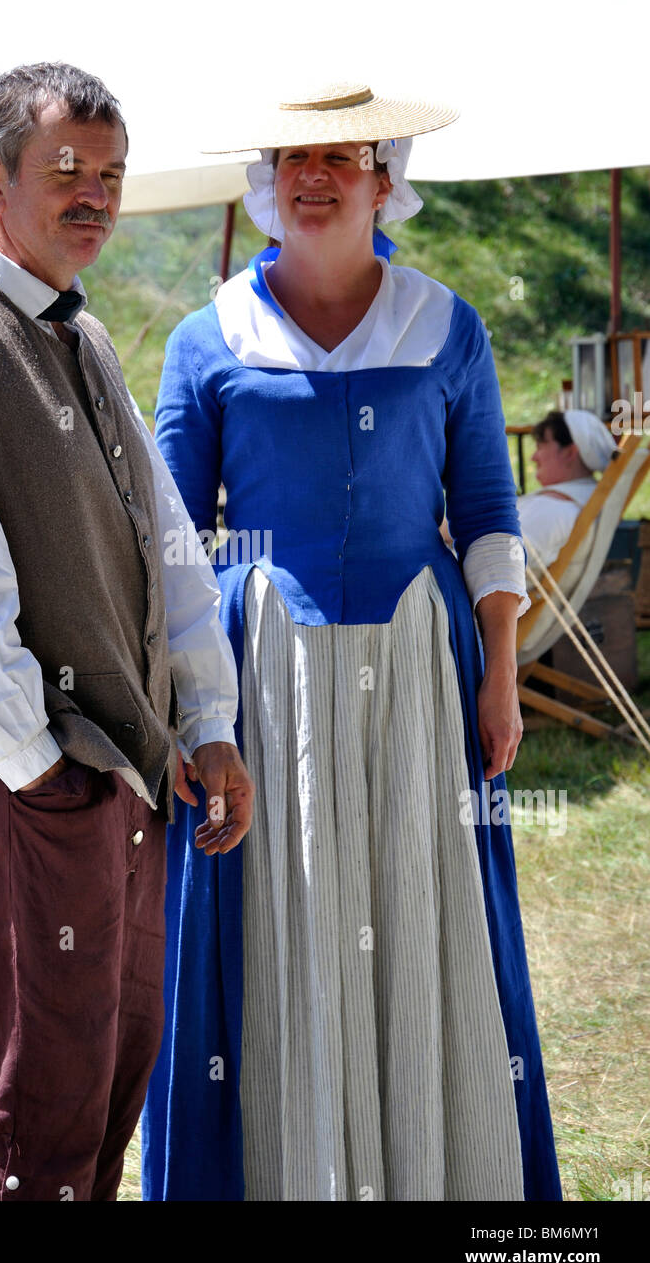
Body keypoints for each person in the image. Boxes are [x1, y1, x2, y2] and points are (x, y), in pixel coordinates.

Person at [142, 81, 562, 1202]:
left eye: (339, 155)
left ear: (387, 180)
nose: (311, 175)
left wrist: (502, 676)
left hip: (420, 669)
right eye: (290, 155)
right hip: (261, 668)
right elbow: (174, 544)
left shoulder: (445, 325)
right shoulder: (205, 337)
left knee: (420, 907)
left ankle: (436, 1168)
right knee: (278, 907)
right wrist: (195, 711)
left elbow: (484, 511)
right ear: (264, 181)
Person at [0, 62, 253, 1202]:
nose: (94, 195)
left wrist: (208, 717)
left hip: (119, 773)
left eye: (111, 175)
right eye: (65, 170)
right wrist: (46, 774)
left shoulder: (84, 338)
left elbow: (168, 545)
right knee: (41, 1118)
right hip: (23, 782)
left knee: (107, 1085)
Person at [518, 409, 617, 572]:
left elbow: (498, 562)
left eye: (540, 447)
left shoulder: (553, 509)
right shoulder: (586, 499)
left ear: (570, 452)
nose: (533, 457)